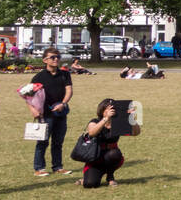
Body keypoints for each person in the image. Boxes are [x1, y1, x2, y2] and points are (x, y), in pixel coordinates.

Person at [29, 46, 73, 177]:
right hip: (45, 114)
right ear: (45, 60)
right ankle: (39, 168)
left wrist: (63, 104)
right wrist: (33, 110)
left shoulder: (65, 74)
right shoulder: (39, 77)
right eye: (52, 57)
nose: (56, 60)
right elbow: (28, 96)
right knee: (42, 141)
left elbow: (69, 90)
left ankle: (58, 167)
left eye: (58, 57)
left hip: (60, 113)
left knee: (58, 142)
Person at [79, 99, 140, 188]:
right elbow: (92, 133)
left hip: (111, 156)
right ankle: (85, 180)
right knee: (90, 184)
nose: (112, 111)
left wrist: (132, 118)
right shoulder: (95, 121)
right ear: (102, 110)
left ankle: (110, 177)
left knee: (114, 154)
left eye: (113, 109)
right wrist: (106, 119)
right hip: (95, 158)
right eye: (109, 109)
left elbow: (136, 133)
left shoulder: (117, 123)